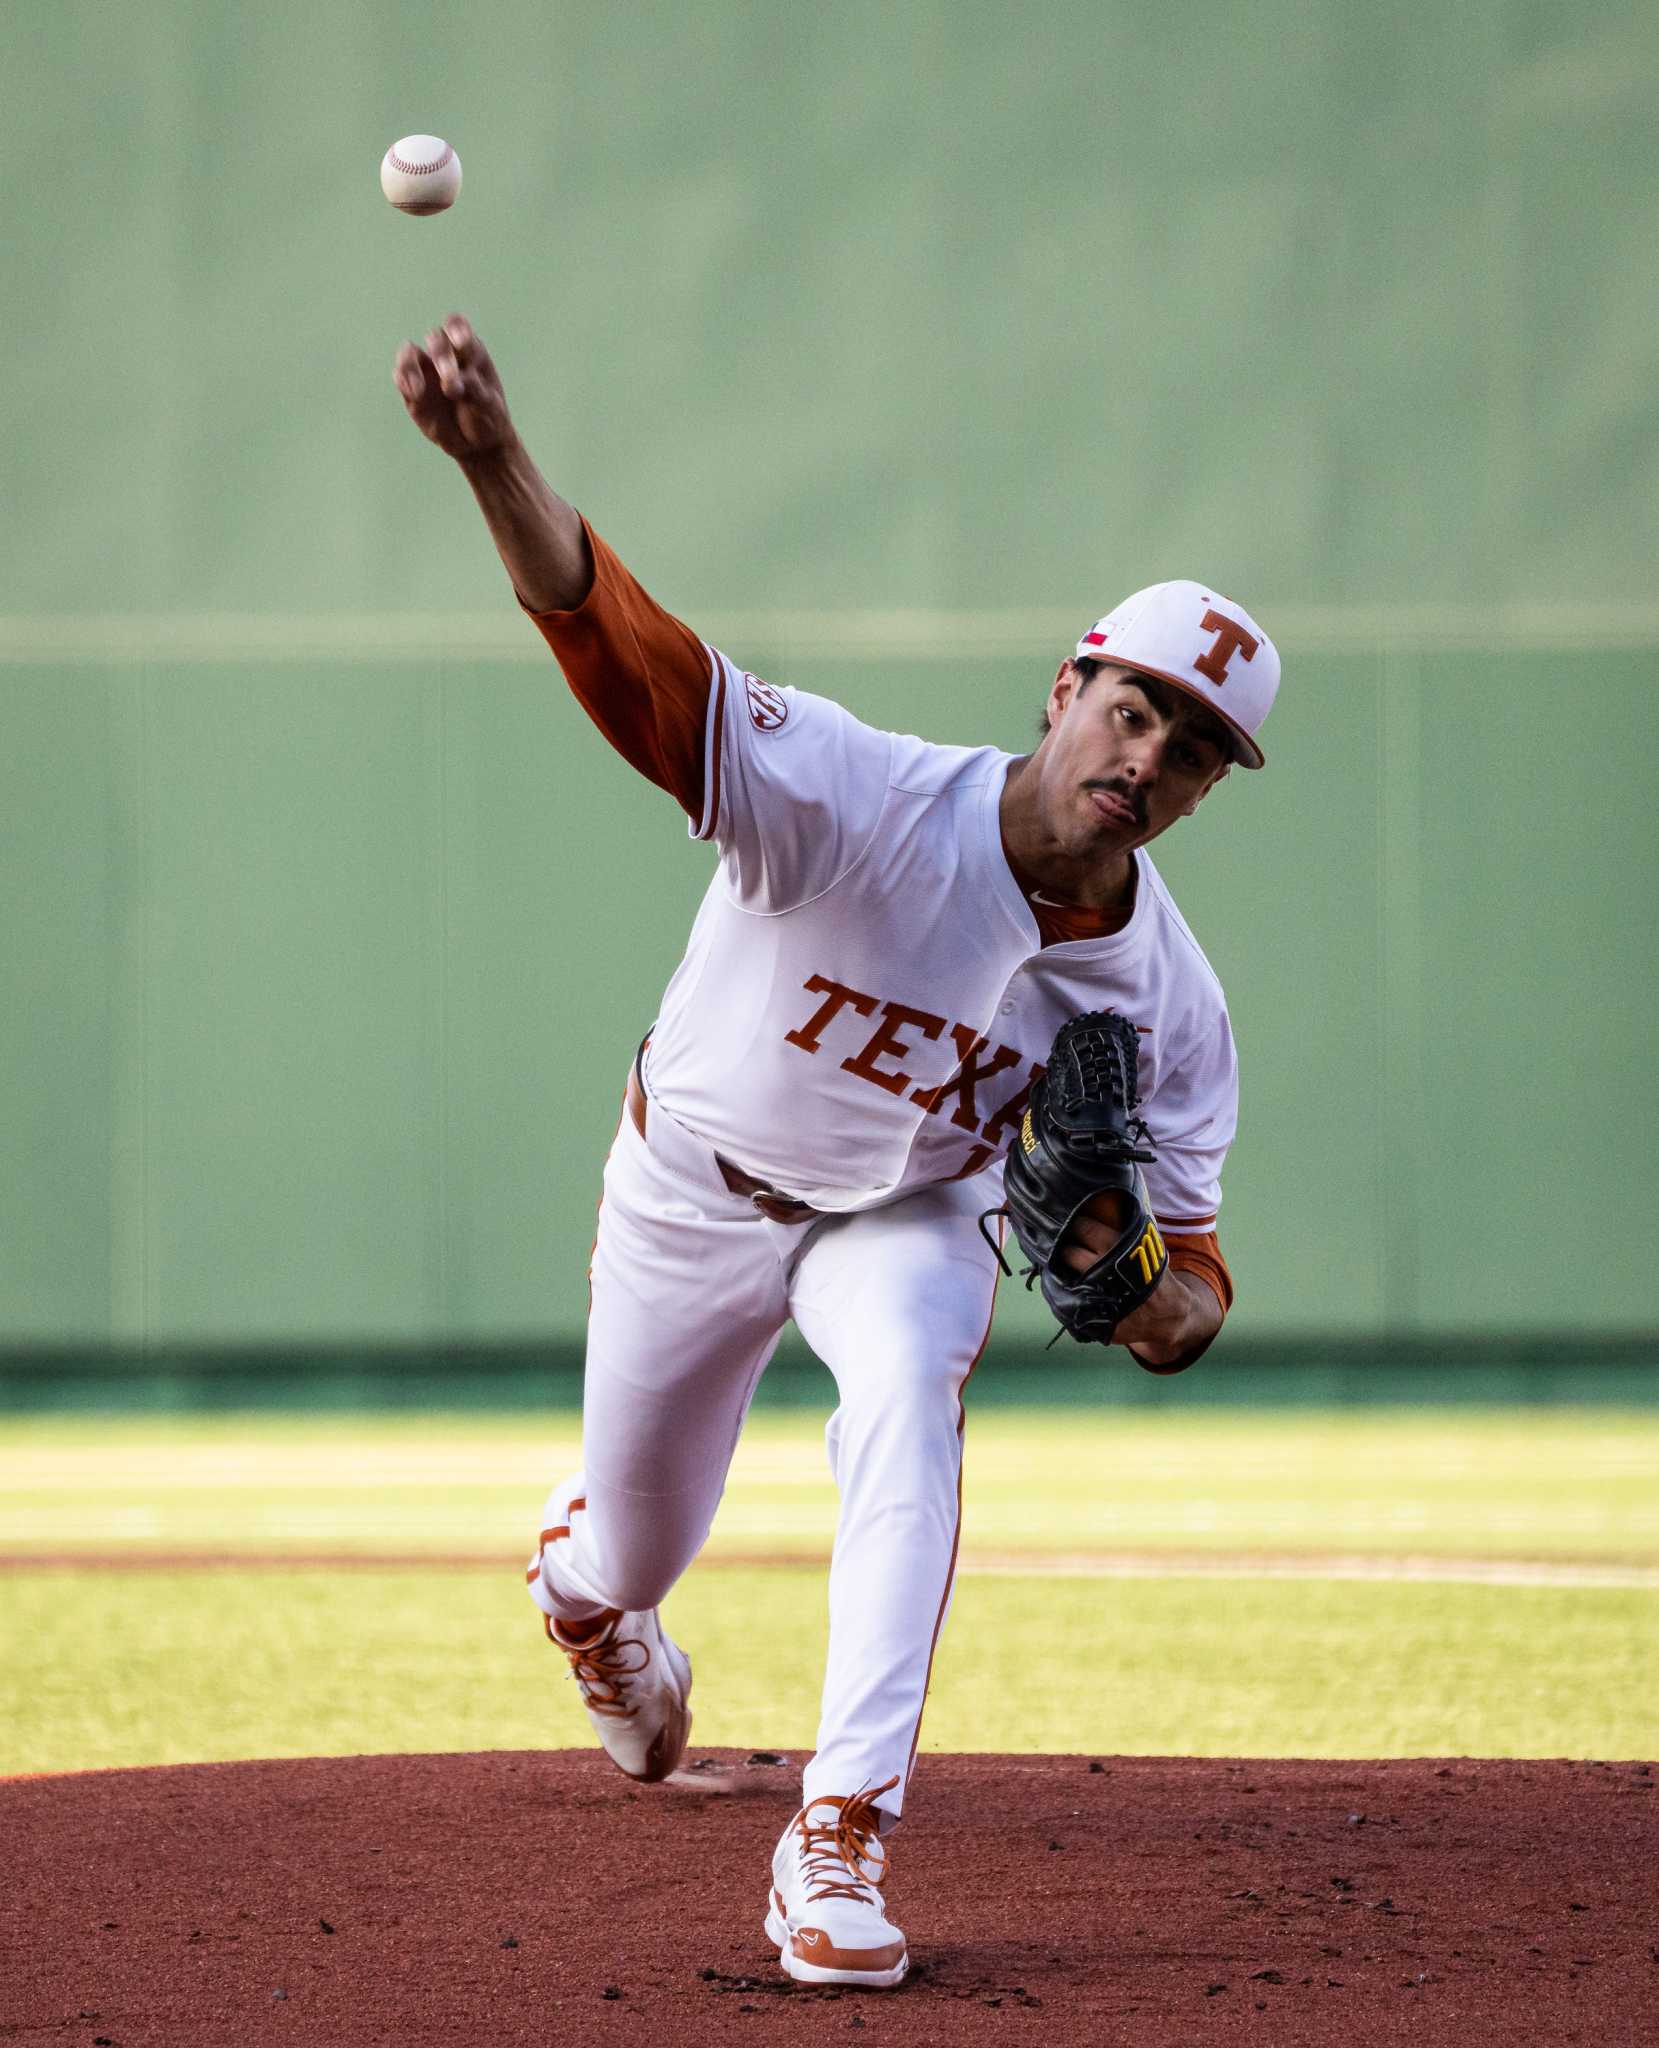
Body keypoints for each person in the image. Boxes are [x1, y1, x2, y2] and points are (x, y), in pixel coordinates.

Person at [394, 313, 1280, 1991]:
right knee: (638, 1545)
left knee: (910, 1405)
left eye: (1198, 748)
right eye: (1137, 708)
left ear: (1213, 787)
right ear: (1067, 688)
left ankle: (843, 1832)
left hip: (909, 1218)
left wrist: (1142, 1281)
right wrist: (493, 459)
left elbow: (1192, 1296)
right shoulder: (858, 796)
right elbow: (627, 654)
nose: (1151, 757)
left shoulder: (1170, 1001)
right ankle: (591, 1597)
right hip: (694, 1184)